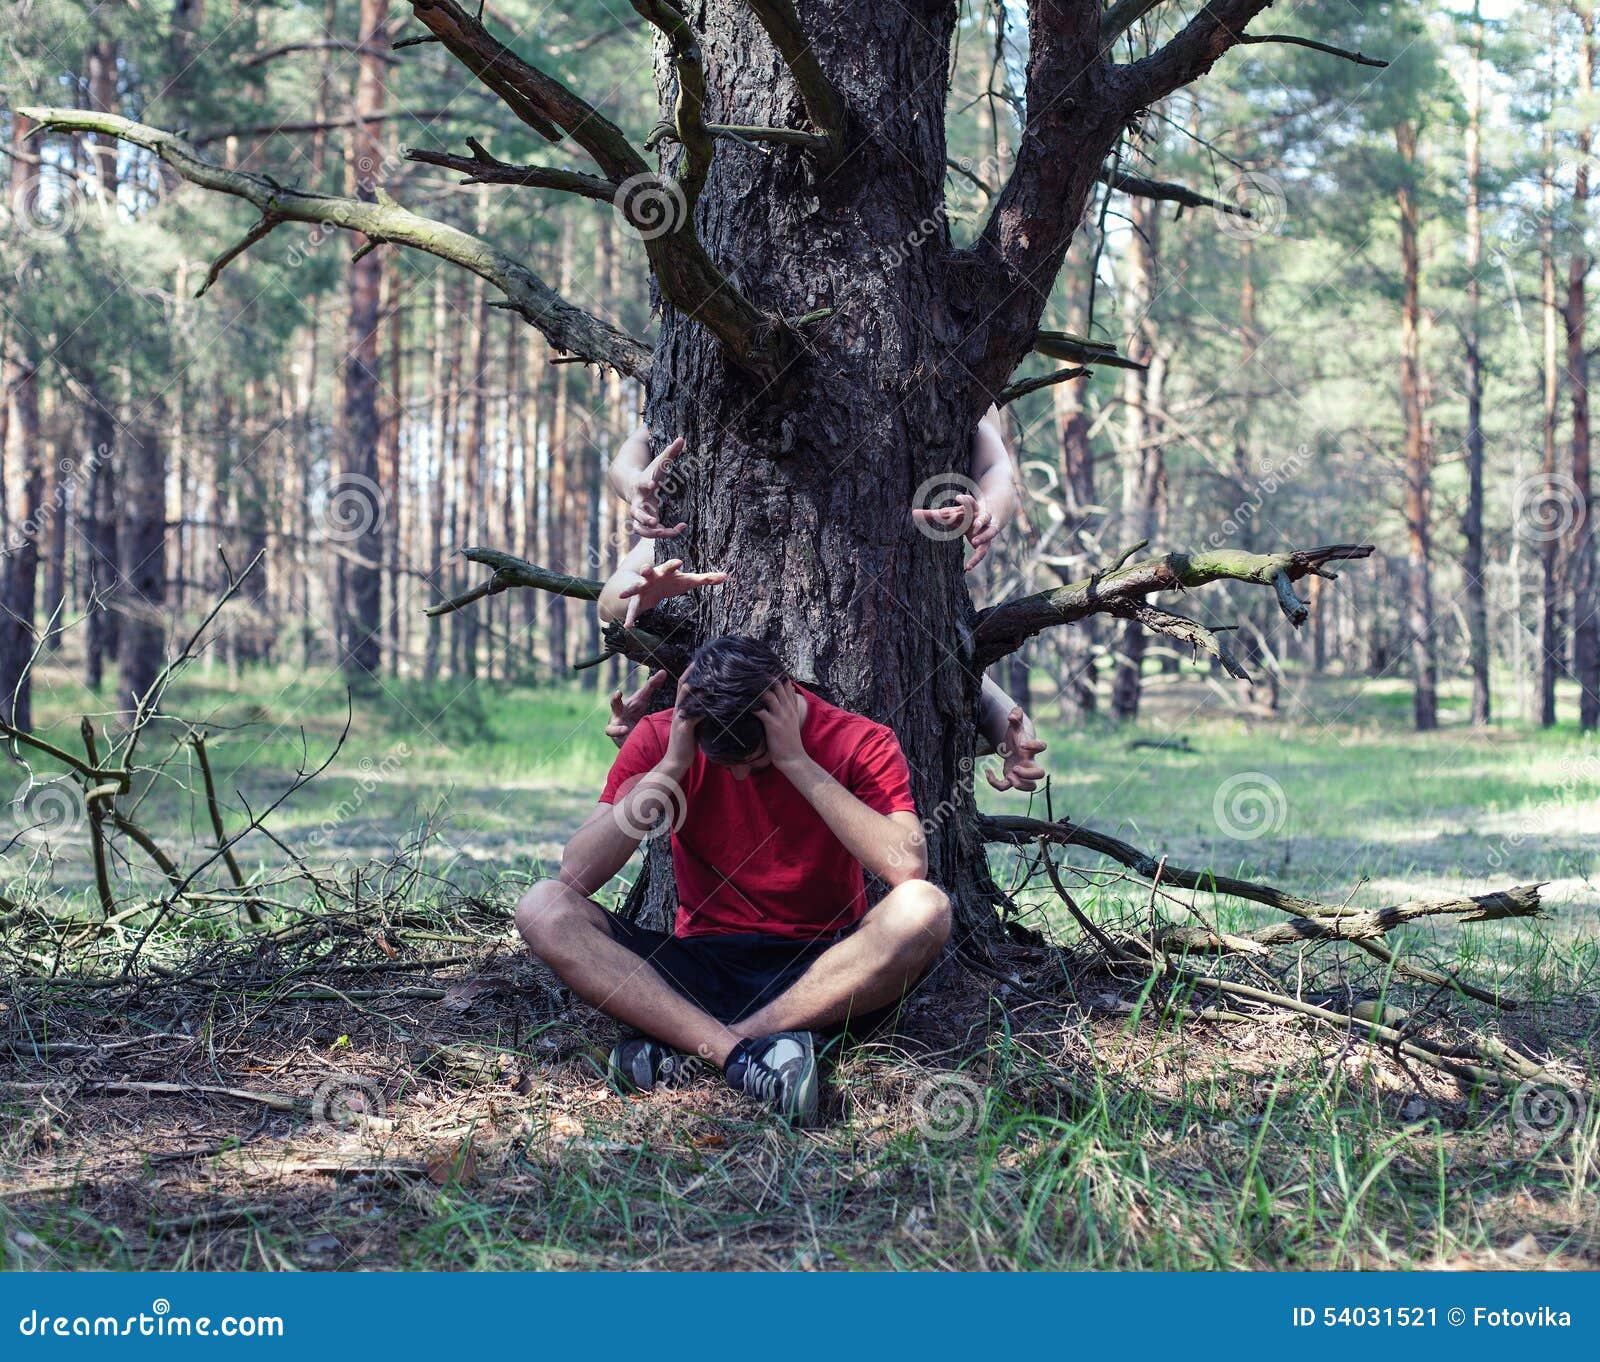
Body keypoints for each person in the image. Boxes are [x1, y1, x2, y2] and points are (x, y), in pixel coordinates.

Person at [518, 635, 952, 1126]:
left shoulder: (859, 739)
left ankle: (707, 1049)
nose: (743, 778)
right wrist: (672, 765)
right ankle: (750, 1057)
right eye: (729, 765)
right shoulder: (663, 740)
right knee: (541, 907)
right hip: (699, 968)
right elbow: (576, 873)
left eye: (756, 761)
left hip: (821, 974)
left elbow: (907, 867)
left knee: (925, 908)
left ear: (786, 703)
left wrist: (795, 761)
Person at [600, 411, 1050, 792]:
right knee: (621, 600)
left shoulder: (943, 354)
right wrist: (635, 484)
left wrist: (987, 509)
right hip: (705, 538)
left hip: (888, 566)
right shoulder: (693, 369)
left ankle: (1006, 728)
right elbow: (632, 455)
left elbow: (997, 469)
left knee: (934, 652)